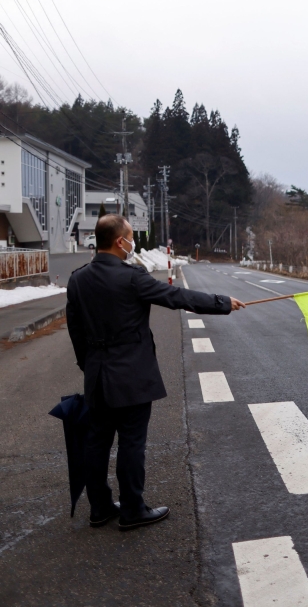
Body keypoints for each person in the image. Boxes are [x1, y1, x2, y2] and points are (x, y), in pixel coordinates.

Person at [66, 215, 246, 530]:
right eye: (130, 236)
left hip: (97, 375)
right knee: (131, 443)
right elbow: (177, 298)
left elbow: (75, 330)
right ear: (120, 241)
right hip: (132, 376)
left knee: (96, 443)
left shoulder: (77, 279)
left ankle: (100, 508)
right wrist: (222, 303)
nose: (132, 242)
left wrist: (88, 365)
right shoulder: (132, 278)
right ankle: (133, 510)